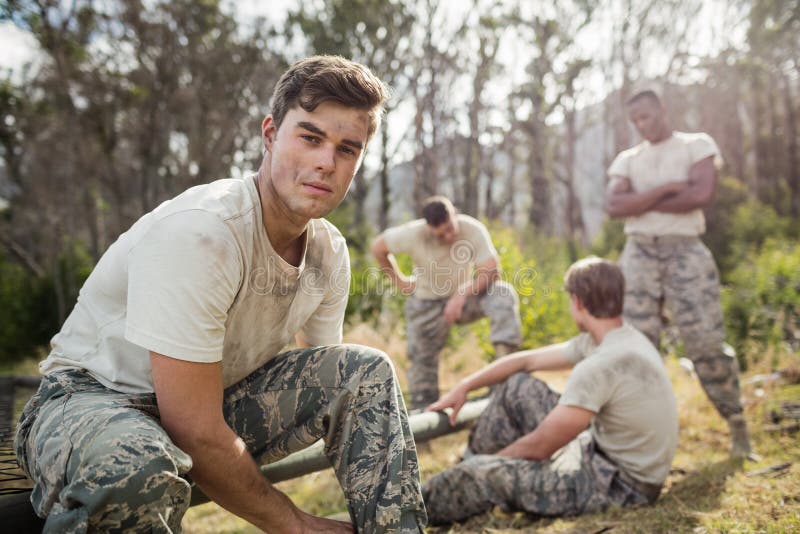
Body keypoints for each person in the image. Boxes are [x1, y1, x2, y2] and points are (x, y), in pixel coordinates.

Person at [14, 56, 427, 533]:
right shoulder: (204, 233)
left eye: (347, 149)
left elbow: (323, 379)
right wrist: (299, 525)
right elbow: (193, 427)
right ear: (270, 133)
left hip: (211, 400)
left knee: (366, 372)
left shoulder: (328, 253)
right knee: (134, 467)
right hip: (91, 401)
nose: (325, 162)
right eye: (310, 137)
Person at [421, 257, 678, 525]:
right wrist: (465, 386)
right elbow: (525, 361)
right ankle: (464, 475)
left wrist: (488, 466)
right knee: (517, 386)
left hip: (621, 486)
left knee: (481, 473)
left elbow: (540, 446)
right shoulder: (619, 338)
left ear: (578, 302)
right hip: (602, 453)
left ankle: (400, 514)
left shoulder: (600, 365)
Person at [605, 89, 751, 456]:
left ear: (663, 110)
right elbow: (614, 205)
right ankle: (643, 438)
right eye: (635, 120)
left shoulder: (695, 145)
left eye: (647, 117)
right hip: (638, 252)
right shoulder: (628, 159)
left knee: (705, 339)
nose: (642, 125)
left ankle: (737, 426)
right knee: (636, 345)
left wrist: (642, 200)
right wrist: (669, 188)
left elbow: (700, 195)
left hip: (684, 250)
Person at [371, 196, 522, 410]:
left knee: (503, 294)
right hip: (426, 304)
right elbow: (377, 248)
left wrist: (462, 293)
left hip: (464, 301)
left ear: (454, 214)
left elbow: (491, 270)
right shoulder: (413, 234)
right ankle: (426, 419)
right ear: (429, 228)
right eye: (442, 234)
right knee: (421, 364)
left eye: (451, 228)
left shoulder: (472, 229)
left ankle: (505, 381)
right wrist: (400, 282)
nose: (450, 236)